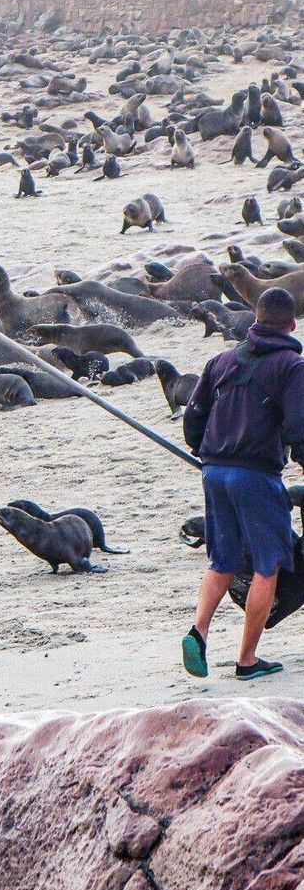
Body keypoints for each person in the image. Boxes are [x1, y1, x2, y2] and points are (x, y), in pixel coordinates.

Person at [181, 287, 304, 680]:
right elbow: (300, 428)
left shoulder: (220, 360)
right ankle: (247, 660)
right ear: (292, 324)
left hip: (214, 472)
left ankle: (198, 632)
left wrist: (211, 455)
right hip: (257, 475)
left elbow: (192, 421)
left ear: (254, 320)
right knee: (268, 567)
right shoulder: (292, 366)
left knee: (224, 561)